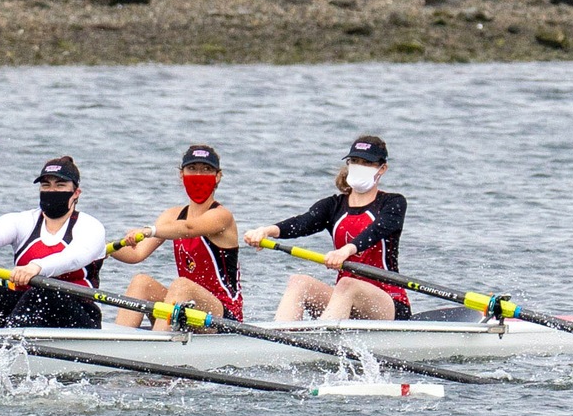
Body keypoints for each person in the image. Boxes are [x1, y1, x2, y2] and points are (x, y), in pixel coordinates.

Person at [243, 133, 408, 322]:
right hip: (344, 300)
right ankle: (280, 343)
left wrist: (346, 250)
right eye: (355, 161)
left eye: (366, 163)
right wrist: (266, 231)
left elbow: (376, 231)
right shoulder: (333, 206)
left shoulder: (393, 203)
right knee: (299, 282)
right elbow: (301, 223)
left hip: (388, 303)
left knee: (347, 284)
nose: (359, 167)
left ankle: (320, 342)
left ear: (382, 168)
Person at [0, 155, 108, 330]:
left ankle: (9, 347)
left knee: (43, 291)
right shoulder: (24, 222)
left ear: (76, 193)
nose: (52, 191)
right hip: (26, 307)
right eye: (46, 185)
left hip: (78, 314)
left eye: (60, 185)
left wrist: (36, 267)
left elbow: (74, 257)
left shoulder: (90, 226)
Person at [110, 143, 244, 328]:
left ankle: (157, 348)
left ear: (218, 176)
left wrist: (149, 230)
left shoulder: (221, 216)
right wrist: (99, 247)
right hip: (186, 305)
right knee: (141, 282)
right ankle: (119, 342)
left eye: (206, 169)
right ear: (181, 174)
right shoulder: (171, 215)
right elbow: (135, 255)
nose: (198, 175)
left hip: (223, 315)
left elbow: (189, 228)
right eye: (192, 169)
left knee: (182, 285)